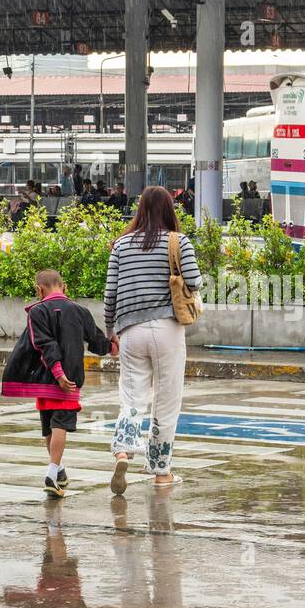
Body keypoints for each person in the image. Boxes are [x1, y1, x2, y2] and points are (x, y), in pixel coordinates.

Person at [104, 186, 202, 493]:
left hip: (130, 331)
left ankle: (122, 450)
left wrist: (111, 332)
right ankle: (161, 473)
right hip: (167, 329)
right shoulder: (178, 241)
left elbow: (110, 295)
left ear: (140, 210)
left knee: (132, 398)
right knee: (167, 400)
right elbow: (195, 281)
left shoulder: (120, 246)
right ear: (169, 210)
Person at [0, 269, 112, 498]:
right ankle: (52, 473)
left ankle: (58, 470)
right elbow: (97, 341)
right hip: (67, 379)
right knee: (61, 423)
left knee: (50, 426)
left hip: (44, 380)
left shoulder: (37, 312)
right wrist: (112, 346)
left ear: (39, 290)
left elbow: (43, 343)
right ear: (65, 287)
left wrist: (54, 372)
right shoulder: (80, 311)